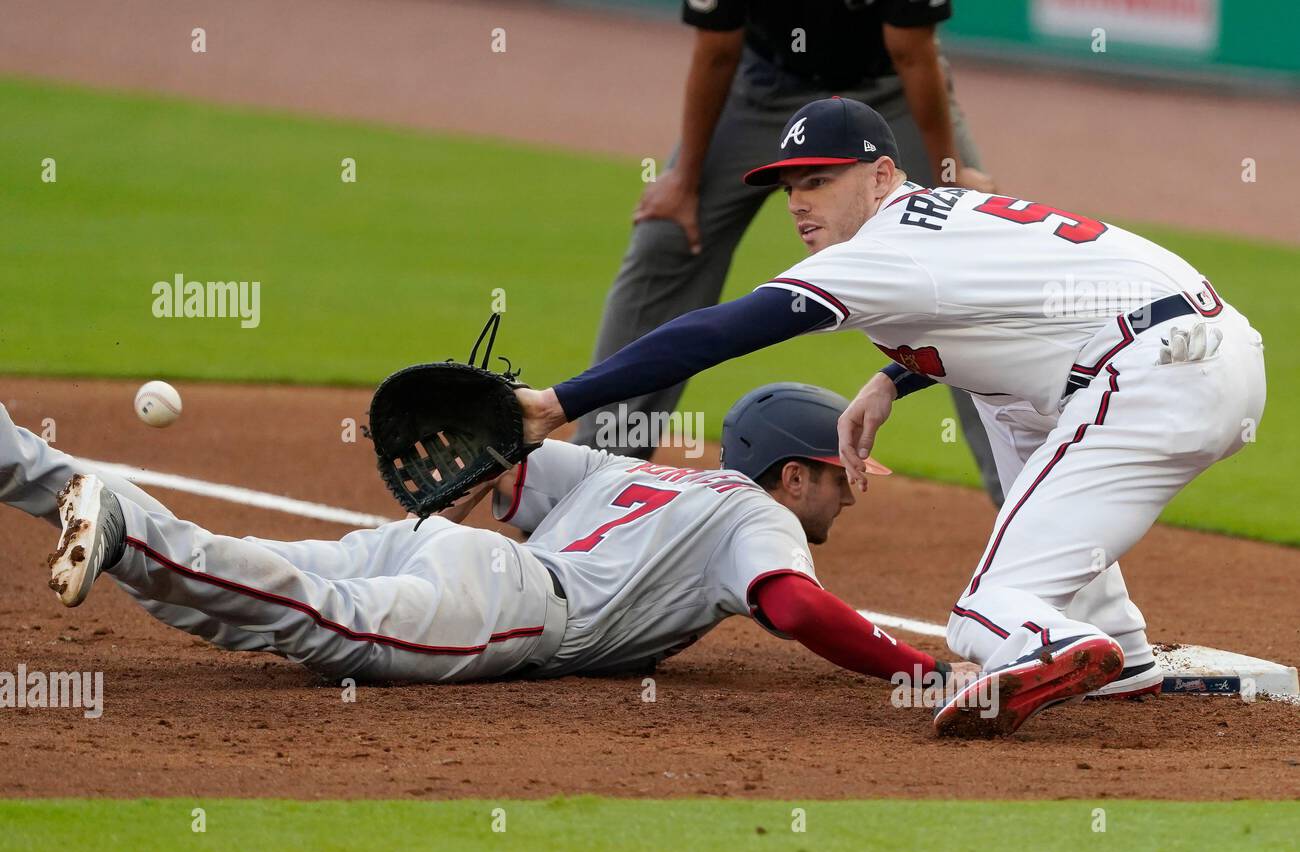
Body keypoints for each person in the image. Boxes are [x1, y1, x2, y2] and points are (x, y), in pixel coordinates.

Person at [512, 97, 1268, 736]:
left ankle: (1044, 640)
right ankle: (1122, 655)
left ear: (879, 175)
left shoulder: (876, 252)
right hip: (1198, 356)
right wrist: (891, 378)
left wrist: (558, 402)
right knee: (1006, 404)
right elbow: (1003, 310)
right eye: (789, 186)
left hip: (1150, 377)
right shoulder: (941, 215)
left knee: (982, 618)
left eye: (820, 179)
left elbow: (716, 331)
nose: (800, 200)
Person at [2, 388, 981, 693]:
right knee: (308, 613)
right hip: (505, 604)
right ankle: (124, 525)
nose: (853, 495)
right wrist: (914, 668)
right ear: (793, 472)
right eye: (843, 476)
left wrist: (506, 433)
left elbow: (505, 476)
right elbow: (795, 605)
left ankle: (43, 471)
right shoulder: (759, 516)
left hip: (444, 551)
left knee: (281, 574)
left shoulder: (639, 471)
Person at [574, 0, 1004, 504]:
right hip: (764, 93)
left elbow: (913, 53)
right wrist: (683, 178)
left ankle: (1023, 498)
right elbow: (716, 50)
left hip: (890, 92)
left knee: (960, 263)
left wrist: (950, 173)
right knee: (667, 239)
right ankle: (595, 475)